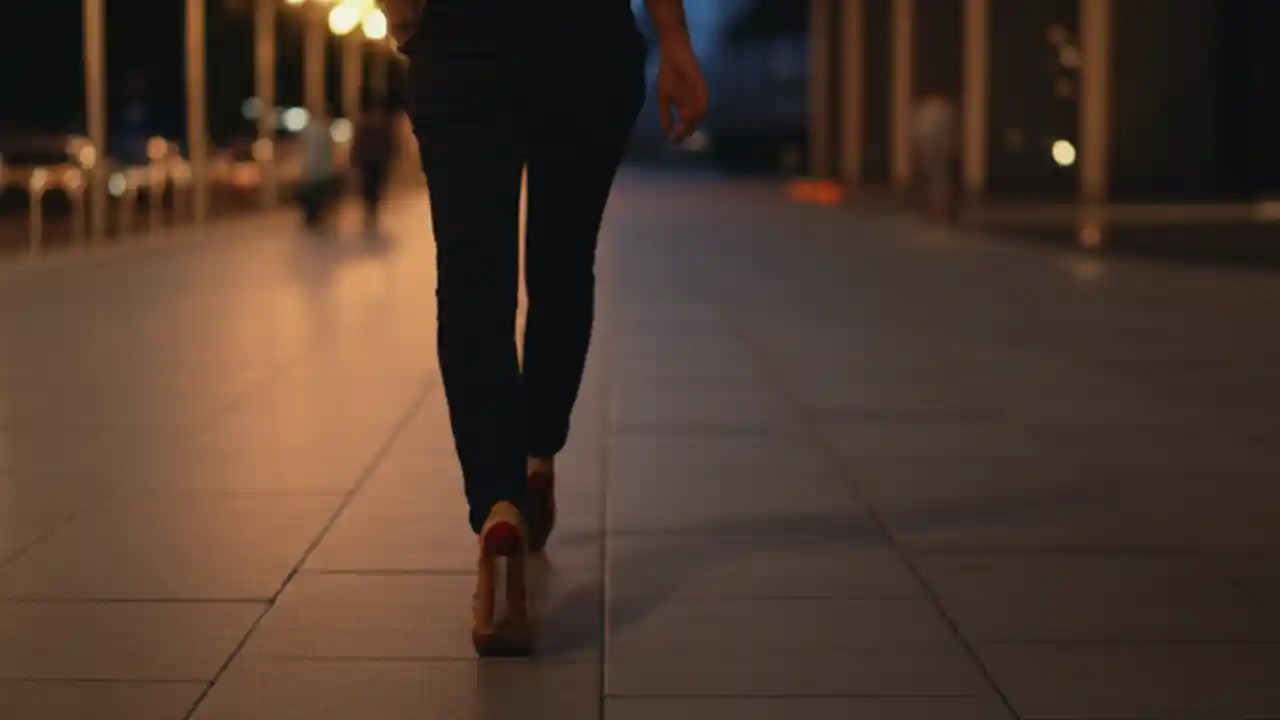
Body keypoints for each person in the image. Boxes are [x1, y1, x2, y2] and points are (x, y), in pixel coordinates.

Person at [384, 0, 707, 657]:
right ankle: (536, 457)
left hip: (460, 41)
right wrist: (675, 42)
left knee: (474, 281)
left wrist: (407, 21)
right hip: (583, 40)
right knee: (561, 267)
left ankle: (498, 515)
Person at [911, 85, 959, 223]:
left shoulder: (926, 109)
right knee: (939, 181)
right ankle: (938, 209)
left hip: (931, 149)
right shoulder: (943, 109)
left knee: (936, 181)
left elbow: (919, 131)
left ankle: (936, 209)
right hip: (936, 149)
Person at [352, 104, 396, 230]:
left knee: (373, 189)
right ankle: (370, 212)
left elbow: (389, 145)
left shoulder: (374, 127)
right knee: (369, 189)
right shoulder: (373, 127)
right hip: (370, 162)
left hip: (375, 162)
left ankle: (371, 213)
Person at [298, 110, 337, 228]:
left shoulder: (311, 130)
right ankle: (315, 215)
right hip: (320, 170)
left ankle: (312, 216)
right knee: (317, 194)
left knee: (315, 194)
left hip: (315, 169)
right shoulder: (323, 131)